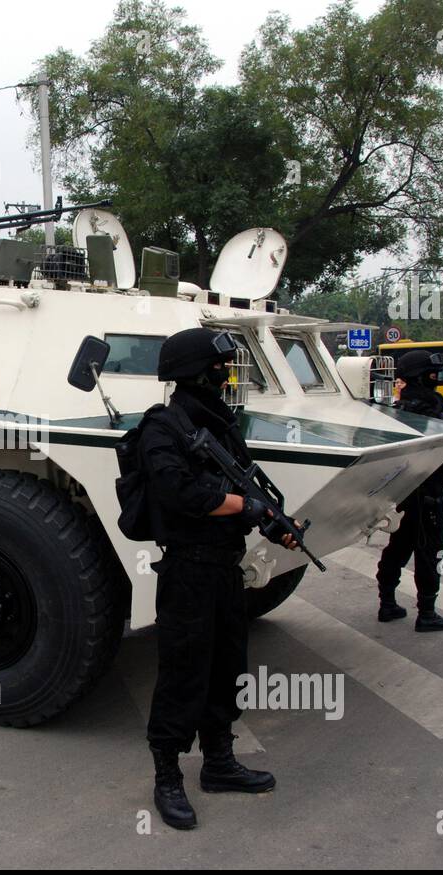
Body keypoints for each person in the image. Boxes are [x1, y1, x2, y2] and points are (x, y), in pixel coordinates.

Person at [140, 327, 301, 830]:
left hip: (226, 568)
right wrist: (245, 505)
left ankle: (219, 763)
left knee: (228, 668)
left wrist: (276, 523)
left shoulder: (221, 425)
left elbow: (247, 482)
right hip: (188, 569)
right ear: (196, 372)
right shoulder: (161, 428)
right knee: (183, 673)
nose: (226, 375)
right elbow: (179, 493)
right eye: (219, 367)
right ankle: (167, 775)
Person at [376, 349, 443, 633]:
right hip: (428, 493)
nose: (436, 379)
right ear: (420, 376)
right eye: (431, 374)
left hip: (401, 494)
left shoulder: (397, 410)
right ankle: (427, 612)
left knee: (398, 547)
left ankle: (387, 603)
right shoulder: (428, 409)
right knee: (429, 552)